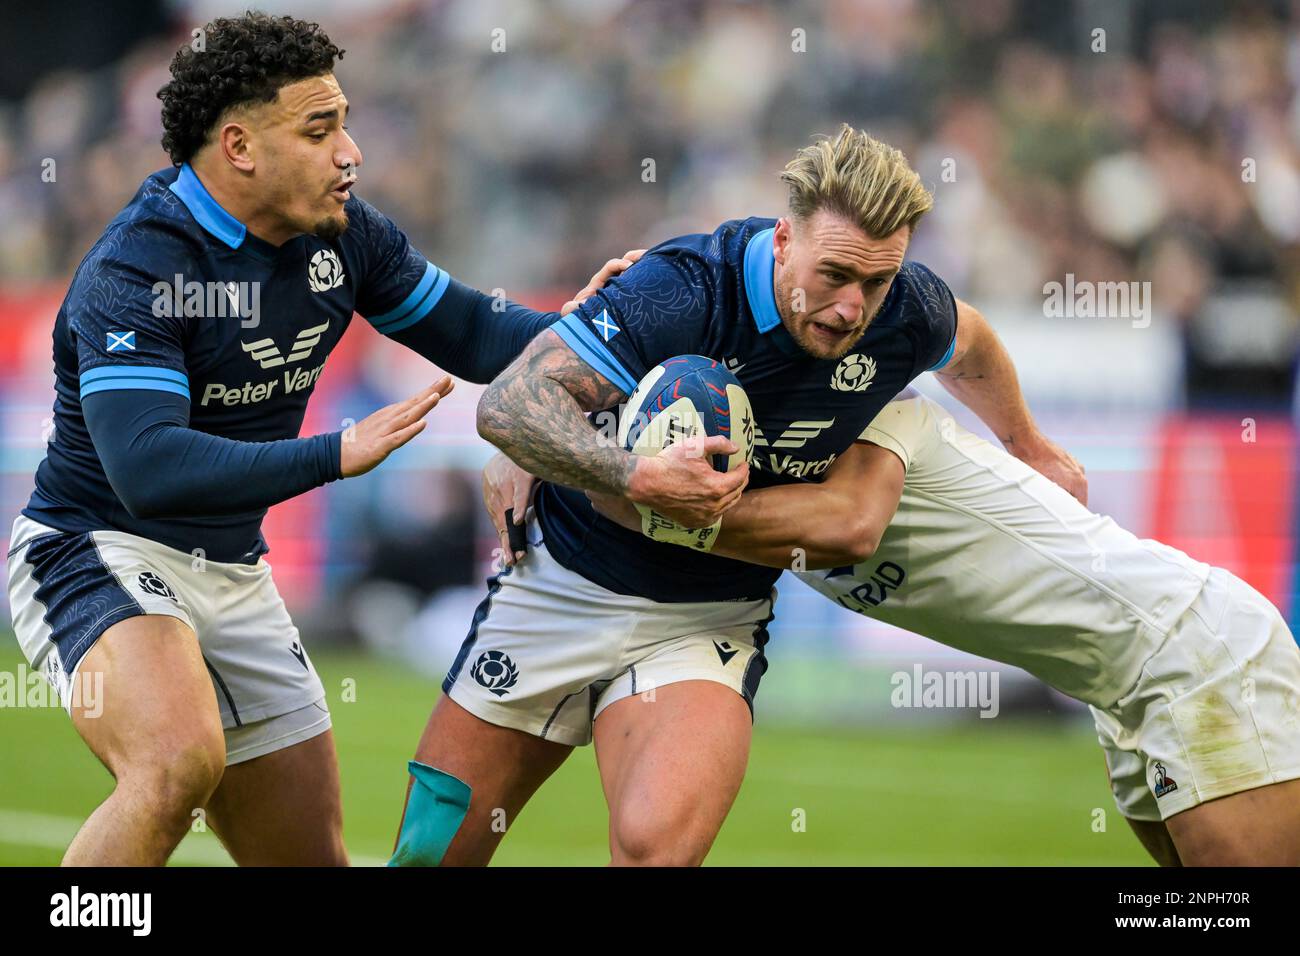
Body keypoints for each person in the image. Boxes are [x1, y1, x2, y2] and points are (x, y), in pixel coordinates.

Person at [5, 11, 648, 867]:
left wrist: (606, 328)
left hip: (233, 571)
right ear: (239, 146)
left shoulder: (344, 236)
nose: (350, 152)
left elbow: (475, 333)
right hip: (99, 549)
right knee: (173, 767)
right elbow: (149, 468)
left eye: (343, 122)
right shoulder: (140, 268)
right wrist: (333, 454)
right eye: (321, 129)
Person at [394, 123, 1083, 866]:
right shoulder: (681, 288)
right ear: (783, 241)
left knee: (659, 853)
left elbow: (970, 341)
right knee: (430, 858)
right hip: (559, 587)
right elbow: (508, 407)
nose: (853, 307)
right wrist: (634, 476)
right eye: (835, 273)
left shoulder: (907, 308)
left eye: (876, 282)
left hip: (706, 618)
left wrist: (1029, 445)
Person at [581, 387, 1300, 866]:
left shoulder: (882, 415)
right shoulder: (766, 500)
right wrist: (539, 460)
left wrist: (649, 506)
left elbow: (853, 527)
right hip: (1123, 692)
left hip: (1197, 649)